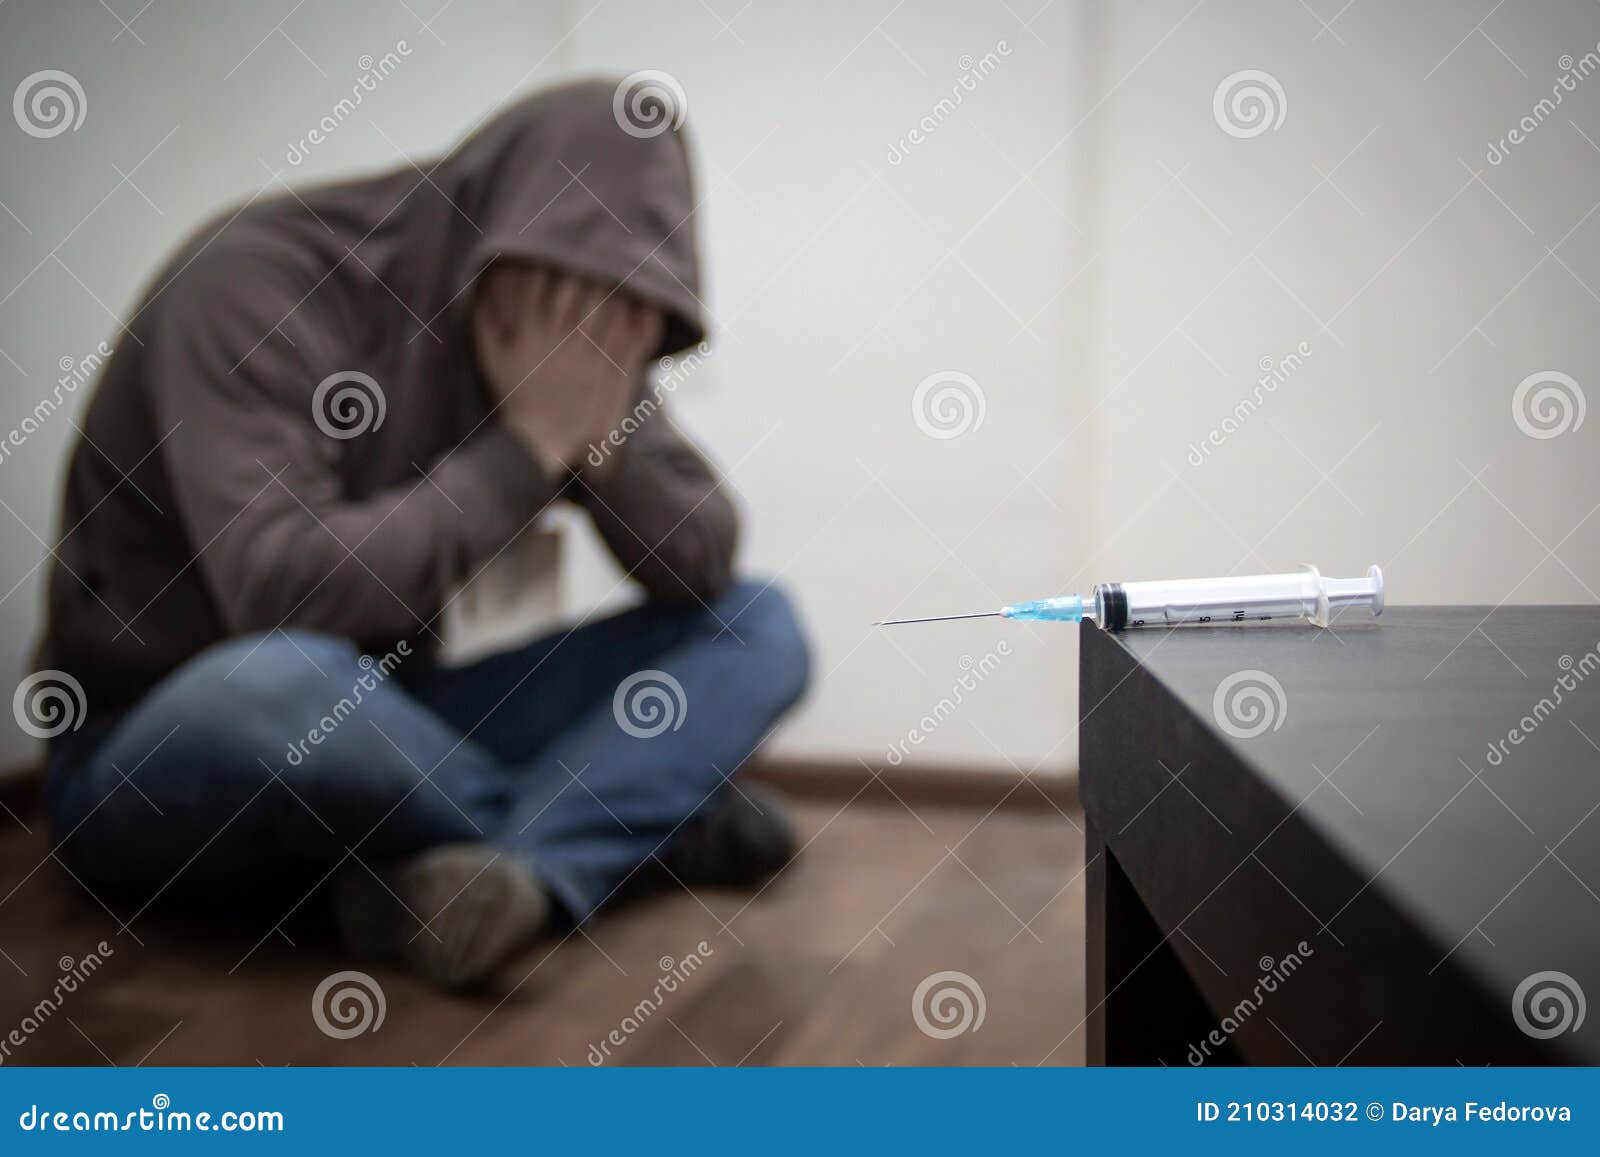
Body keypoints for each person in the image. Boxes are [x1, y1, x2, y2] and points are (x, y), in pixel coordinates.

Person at [33, 80, 810, 989]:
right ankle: (631, 831)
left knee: (758, 624)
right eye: (577, 295)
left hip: (400, 725)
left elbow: (703, 562)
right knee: (284, 682)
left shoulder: (573, 334)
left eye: (630, 316)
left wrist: (599, 440)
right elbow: (285, 599)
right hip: (164, 747)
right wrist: (525, 450)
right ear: (497, 241)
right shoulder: (256, 281)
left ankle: (513, 868)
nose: (597, 331)